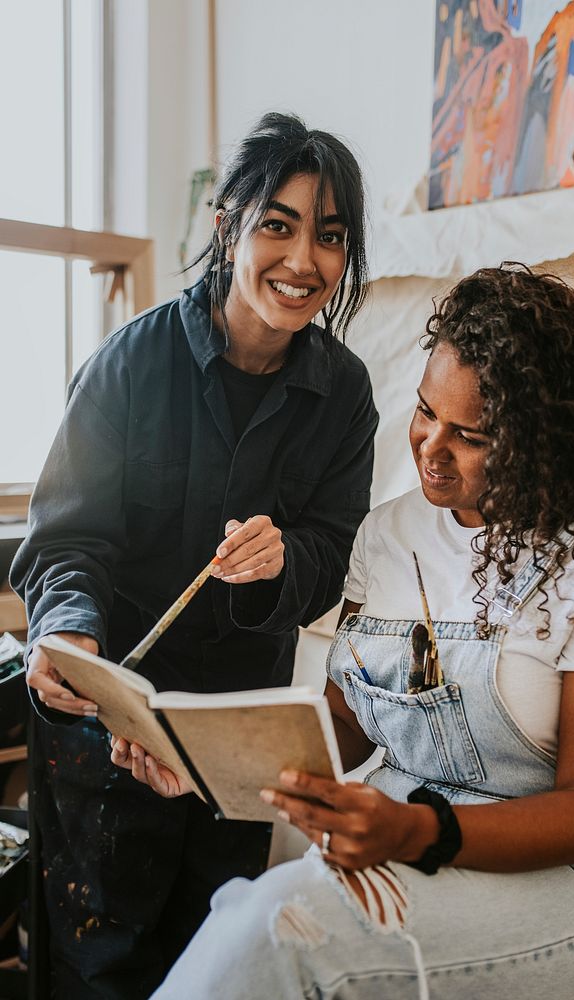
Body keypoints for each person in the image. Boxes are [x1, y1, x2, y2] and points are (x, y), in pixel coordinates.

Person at [118, 264, 574, 1000]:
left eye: (468, 435)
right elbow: (344, 723)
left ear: (545, 442)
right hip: (395, 832)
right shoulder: (389, 533)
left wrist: (414, 831)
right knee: (243, 913)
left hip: (555, 881)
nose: (428, 448)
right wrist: (208, 765)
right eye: (423, 411)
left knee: (279, 936)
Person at [10, 112, 378, 999]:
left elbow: (333, 552)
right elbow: (66, 541)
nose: (303, 262)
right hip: (108, 733)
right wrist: (70, 640)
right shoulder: (130, 366)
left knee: (218, 963)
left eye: (329, 238)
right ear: (228, 228)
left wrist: (285, 558)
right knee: (101, 972)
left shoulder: (344, 393)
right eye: (277, 226)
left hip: (231, 745)